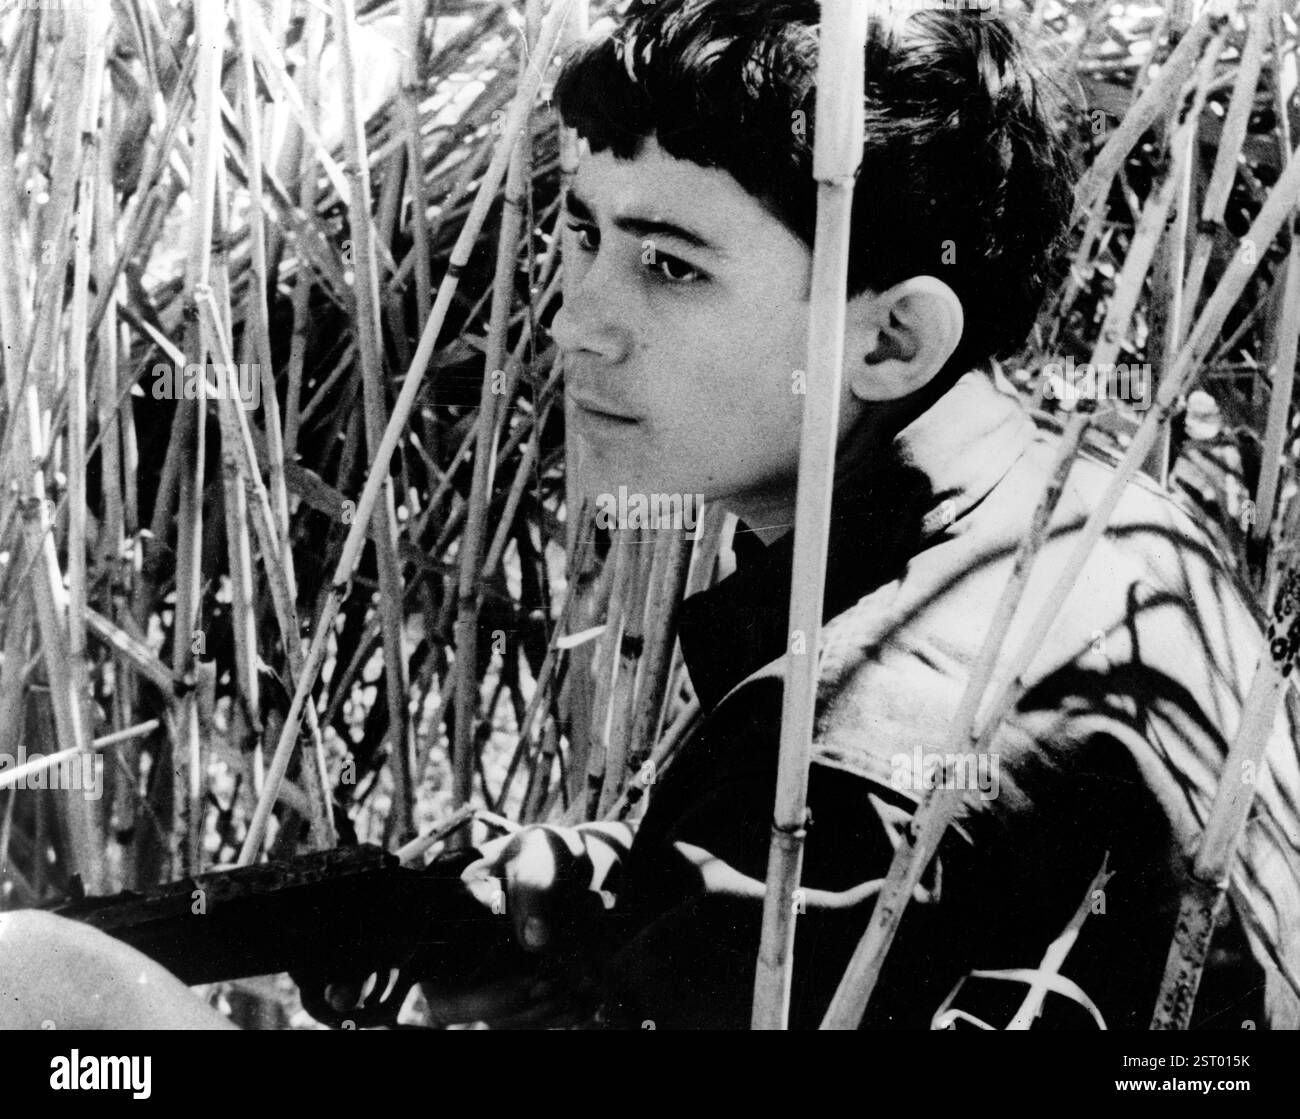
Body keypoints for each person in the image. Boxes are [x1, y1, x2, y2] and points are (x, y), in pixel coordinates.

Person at [3, 0, 1297, 1031]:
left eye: (671, 266)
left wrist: (105, 1015)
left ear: (892, 337)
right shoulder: (1099, 521)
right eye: (582, 236)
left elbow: (868, 812)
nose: (576, 324)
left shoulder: (841, 749)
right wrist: (610, 900)